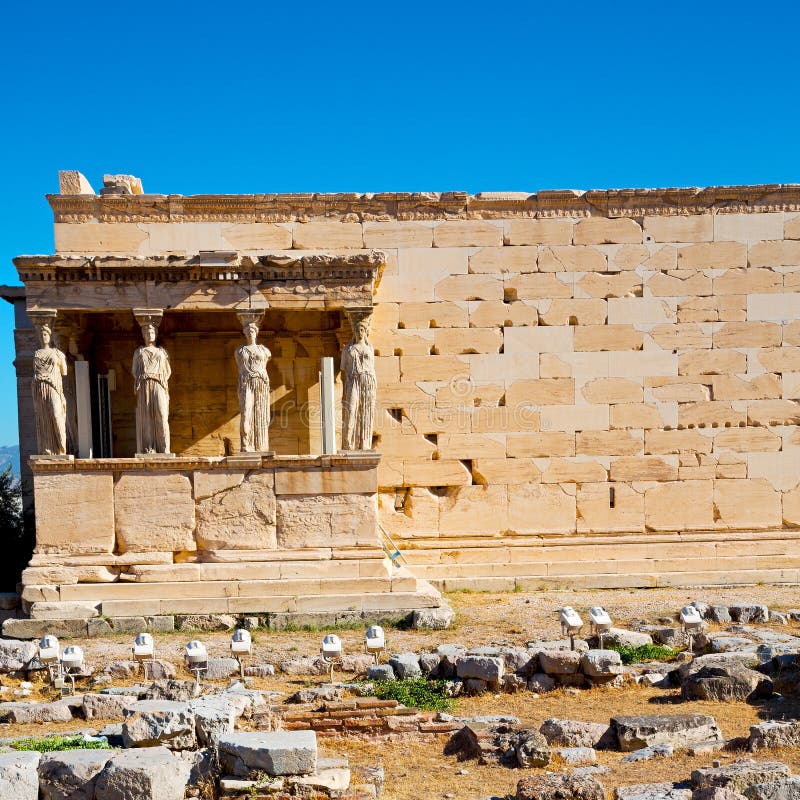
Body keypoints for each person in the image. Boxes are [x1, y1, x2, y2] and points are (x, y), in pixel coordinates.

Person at [132, 322, 171, 454]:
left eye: (152, 332)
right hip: (144, 384)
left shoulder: (162, 352)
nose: (150, 335)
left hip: (159, 383)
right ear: (143, 335)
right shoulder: (139, 352)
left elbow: (168, 371)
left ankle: (164, 447)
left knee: (161, 413)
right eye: (147, 333)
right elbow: (134, 371)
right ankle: (149, 448)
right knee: (146, 416)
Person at [32, 321, 68, 455]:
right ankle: (49, 449)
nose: (43, 336)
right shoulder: (36, 354)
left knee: (56, 414)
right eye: (41, 334)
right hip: (40, 387)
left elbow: (64, 371)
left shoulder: (56, 353)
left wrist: (61, 358)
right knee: (44, 418)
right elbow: (35, 373)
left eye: (46, 334)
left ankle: (61, 448)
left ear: (50, 336)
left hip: (54, 387)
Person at [235, 321, 272, 452]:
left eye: (252, 331)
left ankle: (261, 446)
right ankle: (246, 444)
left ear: (256, 333)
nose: (250, 334)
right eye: (248, 331)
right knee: (246, 412)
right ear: (244, 333)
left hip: (261, 382)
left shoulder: (263, 350)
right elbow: (240, 368)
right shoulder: (240, 351)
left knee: (261, 412)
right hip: (246, 382)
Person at [341, 317, 376, 450]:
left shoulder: (370, 348)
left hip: (368, 380)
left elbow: (372, 367)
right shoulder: (348, 349)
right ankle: (348, 444)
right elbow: (344, 369)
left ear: (366, 331)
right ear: (354, 332)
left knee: (366, 412)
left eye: (362, 329)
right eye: (357, 330)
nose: (360, 332)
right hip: (353, 380)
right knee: (351, 410)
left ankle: (364, 444)